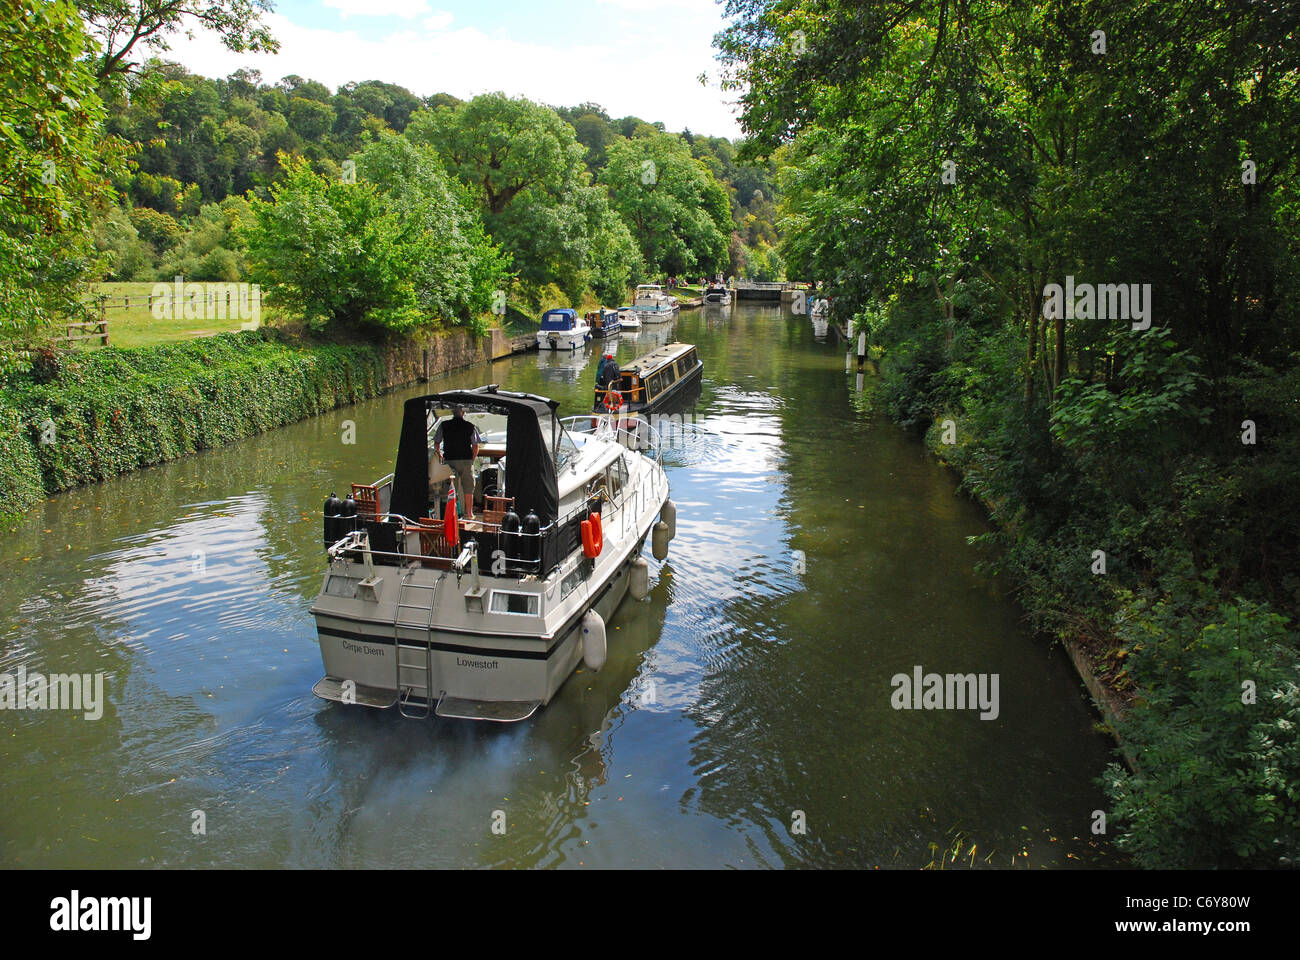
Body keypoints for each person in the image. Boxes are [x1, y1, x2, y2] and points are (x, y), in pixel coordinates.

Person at [432, 404, 481, 520]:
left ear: (452, 413)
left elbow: (436, 443)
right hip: (466, 461)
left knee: (451, 487)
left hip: (449, 460)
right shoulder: (470, 426)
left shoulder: (444, 425)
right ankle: (469, 513)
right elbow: (475, 446)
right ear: (463, 412)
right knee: (468, 487)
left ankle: (452, 514)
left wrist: (440, 454)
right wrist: (472, 460)